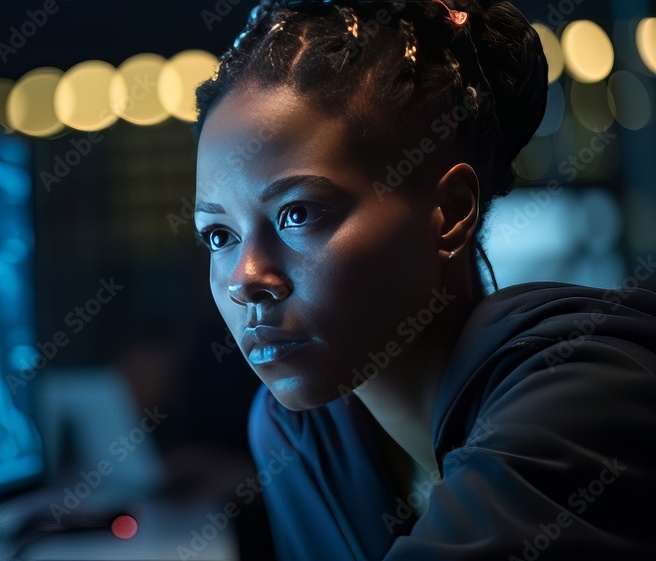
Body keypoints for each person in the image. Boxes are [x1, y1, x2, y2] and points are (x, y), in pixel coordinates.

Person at [191, 0, 656, 559]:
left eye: (298, 214)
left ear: (450, 211)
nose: (246, 278)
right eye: (219, 236)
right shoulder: (298, 433)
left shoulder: (583, 389)